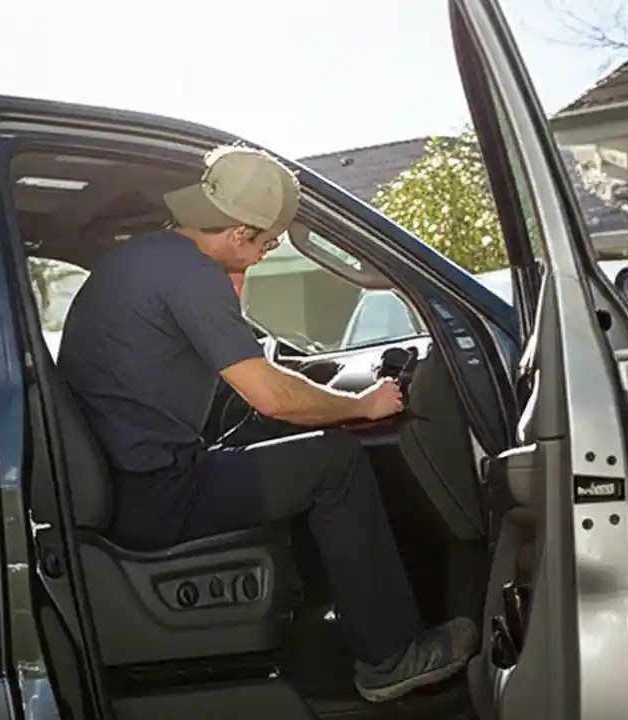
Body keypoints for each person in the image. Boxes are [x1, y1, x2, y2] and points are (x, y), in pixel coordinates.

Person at [58, 145, 477, 703]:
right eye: (267, 243)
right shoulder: (190, 276)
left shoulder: (146, 259)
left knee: (277, 440)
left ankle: (321, 616)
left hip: (126, 483)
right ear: (237, 234)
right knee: (335, 461)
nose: (264, 254)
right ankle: (389, 659)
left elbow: (252, 367)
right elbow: (272, 397)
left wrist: (240, 285)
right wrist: (366, 404)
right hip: (159, 496)